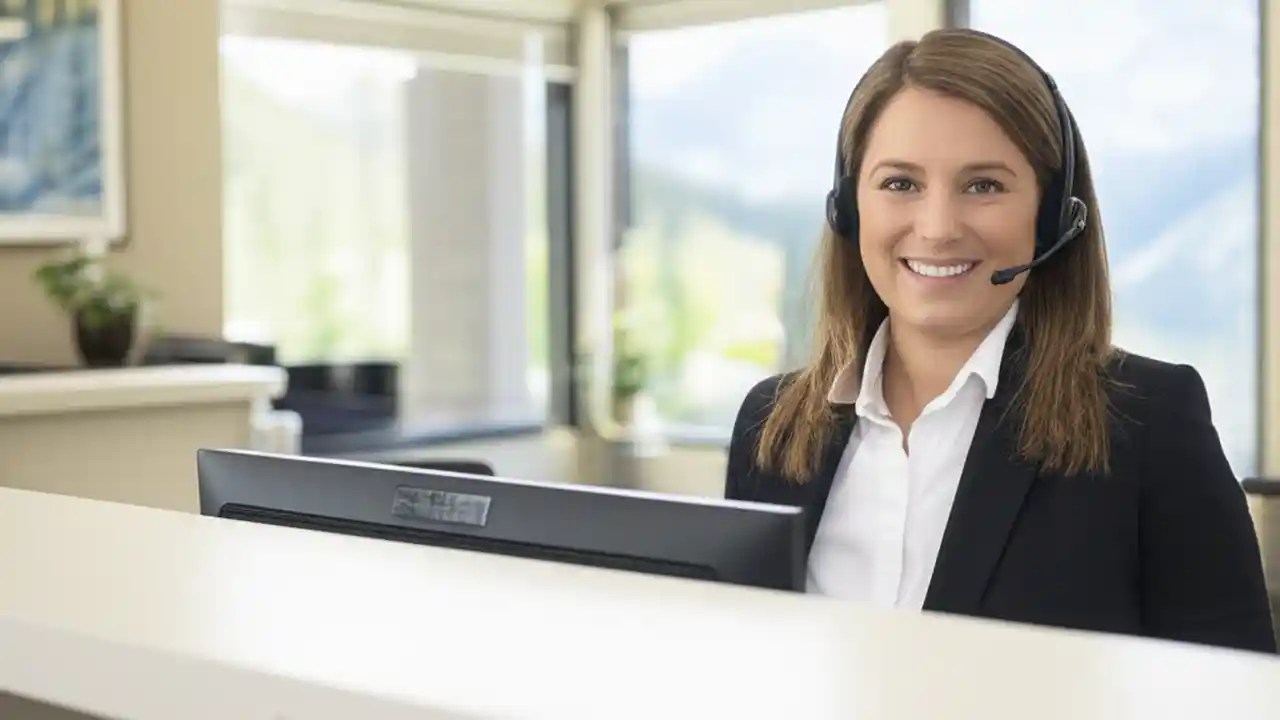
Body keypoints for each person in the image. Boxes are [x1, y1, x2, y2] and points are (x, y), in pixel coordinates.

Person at [724, 28, 1275, 653]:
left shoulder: (1148, 421)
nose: (936, 229)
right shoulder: (771, 427)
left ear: (1051, 218)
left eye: (983, 185)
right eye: (900, 183)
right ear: (847, 209)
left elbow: (1238, 691)